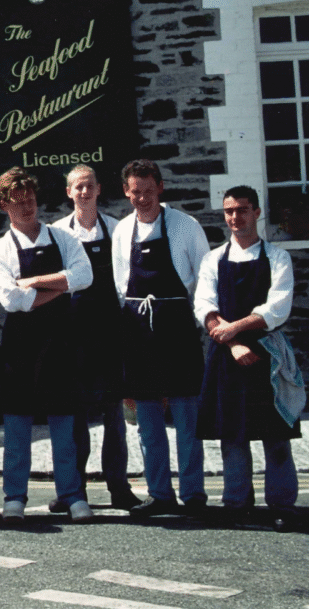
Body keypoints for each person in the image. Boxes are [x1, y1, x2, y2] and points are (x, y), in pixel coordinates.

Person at [0, 167, 95, 523]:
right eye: (18, 203)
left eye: (31, 200)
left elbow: (86, 276)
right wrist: (62, 286)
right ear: (5, 206)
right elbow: (11, 301)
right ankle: (14, 497)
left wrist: (33, 281)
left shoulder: (63, 239)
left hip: (61, 342)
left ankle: (73, 495)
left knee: (64, 426)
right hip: (20, 347)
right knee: (18, 427)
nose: (27, 208)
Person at [194, 185, 301, 532]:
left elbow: (276, 308)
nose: (235, 217)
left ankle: (282, 505)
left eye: (242, 210)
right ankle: (237, 504)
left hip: (267, 354)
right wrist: (233, 343)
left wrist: (235, 329)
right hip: (228, 356)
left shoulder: (277, 258)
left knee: (275, 435)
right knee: (233, 435)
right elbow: (205, 307)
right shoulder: (213, 260)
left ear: (256, 212)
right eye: (229, 211)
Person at [111, 159, 210, 518]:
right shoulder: (122, 231)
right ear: (126, 191)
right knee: (148, 424)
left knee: (187, 420)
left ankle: (195, 494)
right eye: (135, 192)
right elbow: (121, 287)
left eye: (148, 191)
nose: (142, 199)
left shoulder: (186, 226)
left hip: (178, 332)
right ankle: (160, 494)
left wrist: (197, 324)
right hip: (138, 335)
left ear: (160, 188)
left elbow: (204, 280)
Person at [49, 165, 141, 512]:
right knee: (75, 419)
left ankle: (119, 487)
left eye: (89, 186)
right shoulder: (57, 233)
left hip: (109, 333)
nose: (84, 192)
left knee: (113, 418)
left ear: (99, 189)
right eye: (77, 187)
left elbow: (126, 284)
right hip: (73, 337)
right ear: (68, 192)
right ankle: (75, 491)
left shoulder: (117, 230)